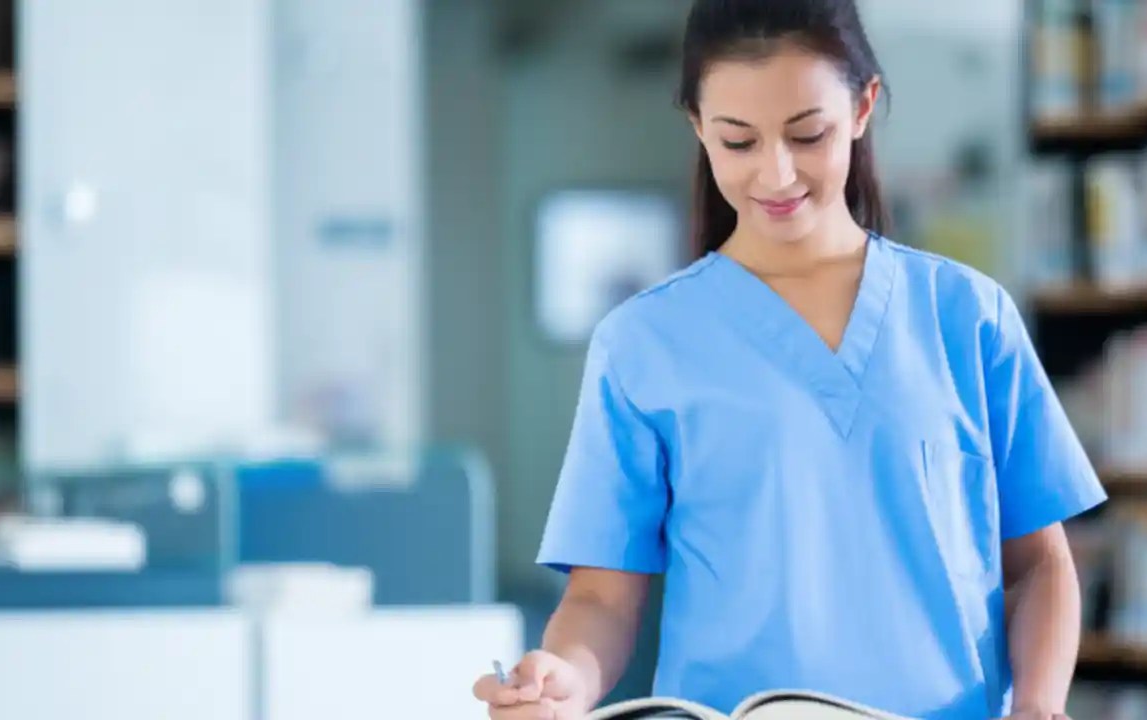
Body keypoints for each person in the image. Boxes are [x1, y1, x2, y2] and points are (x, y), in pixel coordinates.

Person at [473, 1, 1105, 718]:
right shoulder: (643, 343)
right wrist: (564, 680)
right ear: (696, 126)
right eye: (737, 142)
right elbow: (602, 599)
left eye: (808, 134)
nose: (776, 174)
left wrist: (1041, 704)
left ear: (864, 106)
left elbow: (1039, 568)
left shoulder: (967, 316)